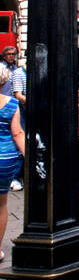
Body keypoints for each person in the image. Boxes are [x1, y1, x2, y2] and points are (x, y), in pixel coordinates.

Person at [0, 63, 25, 259]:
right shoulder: (11, 104)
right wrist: (30, 157)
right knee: (1, 205)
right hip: (5, 158)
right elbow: (17, 133)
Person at [1, 46, 25, 190]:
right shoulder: (2, 69)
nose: (11, 56)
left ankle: (16, 177)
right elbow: (18, 134)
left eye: (13, 54)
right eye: (8, 54)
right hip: (8, 106)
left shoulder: (17, 70)